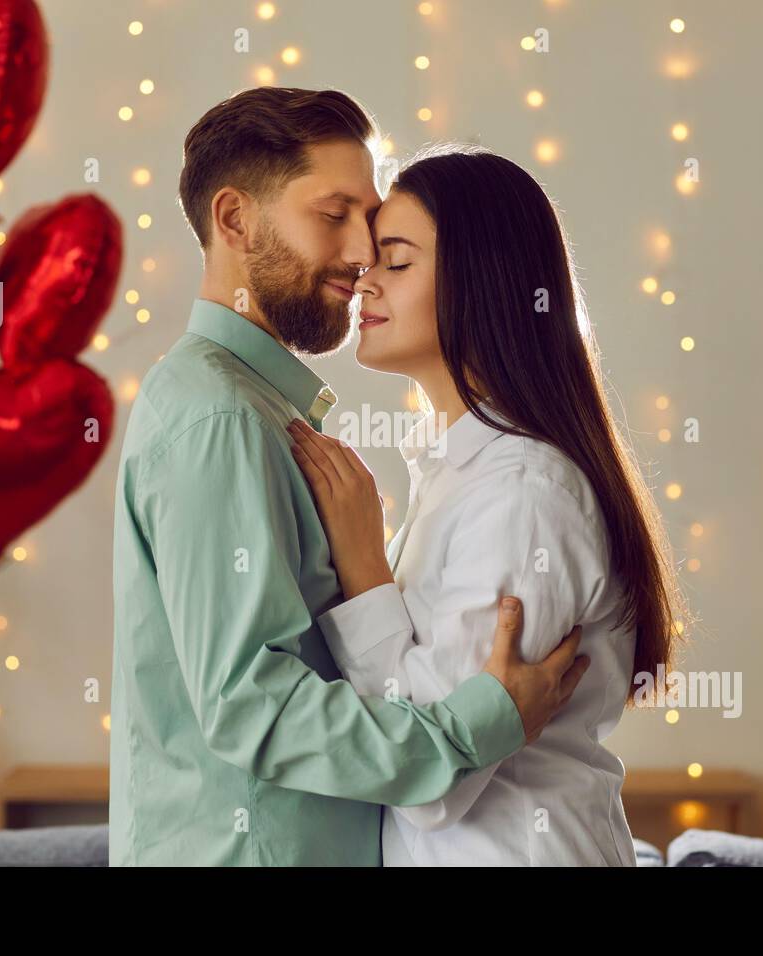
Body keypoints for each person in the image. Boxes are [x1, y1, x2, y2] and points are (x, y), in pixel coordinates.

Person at [109, 89, 588, 866]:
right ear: (235, 220)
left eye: (370, 223)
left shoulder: (266, 412)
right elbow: (253, 709)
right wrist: (479, 726)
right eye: (334, 215)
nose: (362, 252)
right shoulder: (221, 420)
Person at [288, 145, 682, 865]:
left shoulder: (524, 493)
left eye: (396, 262)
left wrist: (364, 568)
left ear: (482, 282)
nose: (363, 280)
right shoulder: (457, 473)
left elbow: (430, 778)